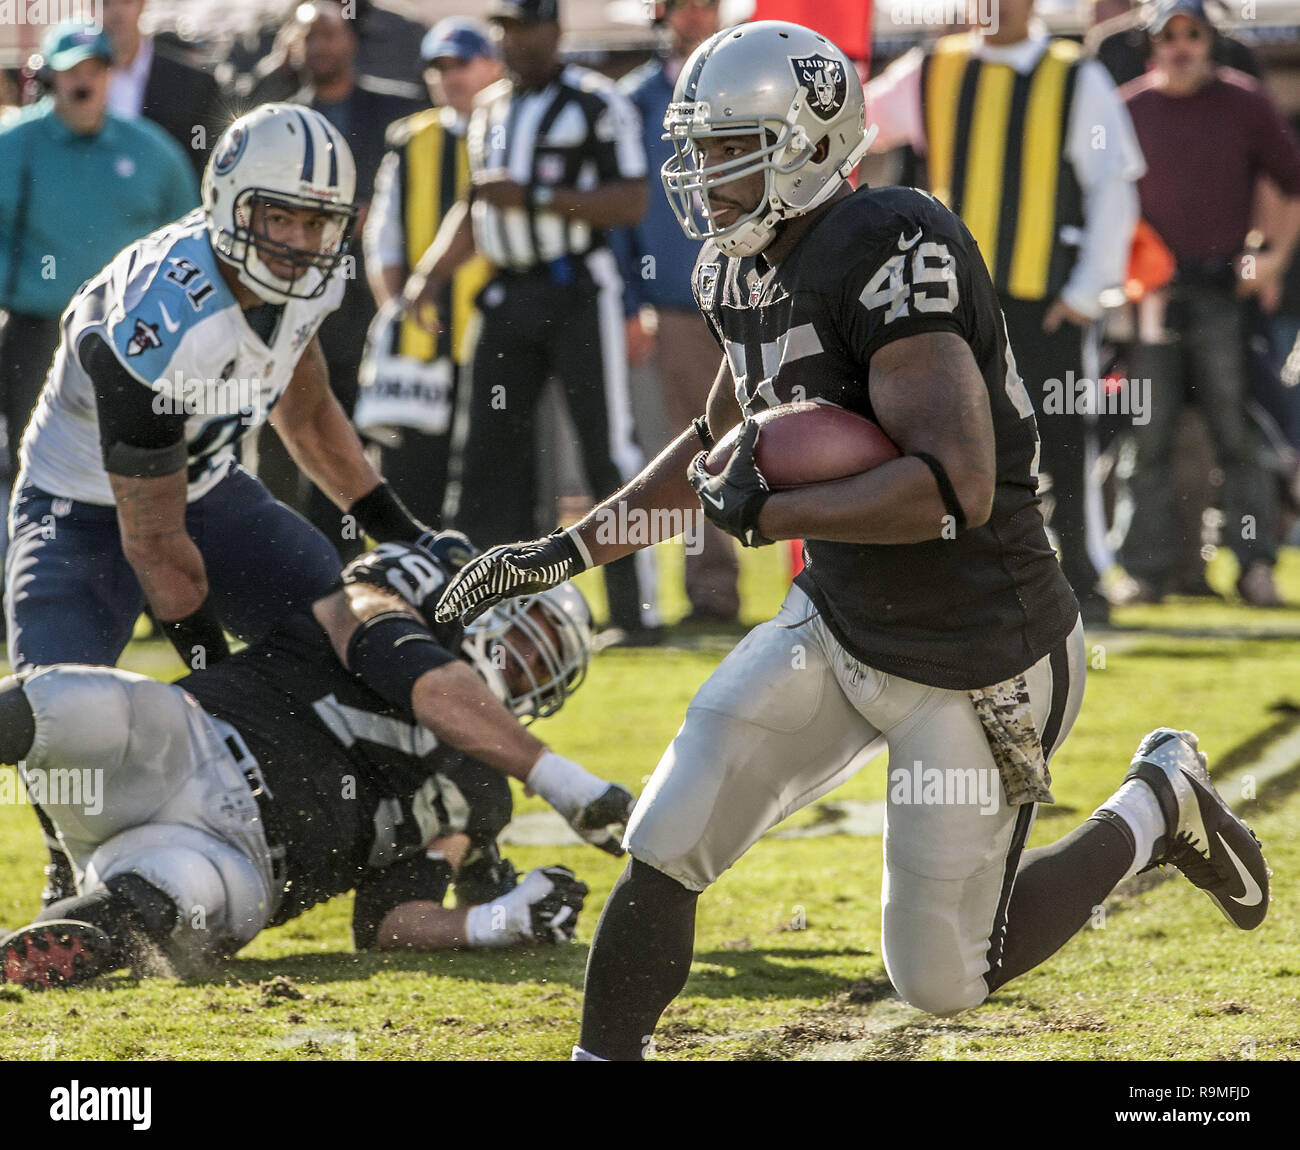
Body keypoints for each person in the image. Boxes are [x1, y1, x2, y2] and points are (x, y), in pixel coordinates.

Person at [433, 21, 1271, 1061]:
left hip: (980, 645)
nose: (702, 174)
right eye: (695, 147)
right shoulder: (736, 271)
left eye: (726, 147)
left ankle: (1156, 802)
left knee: (943, 977)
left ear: (805, 142)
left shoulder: (891, 243)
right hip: (838, 620)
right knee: (668, 833)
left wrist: (772, 514)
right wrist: (563, 552)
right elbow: (715, 448)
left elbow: (950, 492)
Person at [6, 101, 433, 909]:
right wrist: (216, 688)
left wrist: (396, 526)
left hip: (206, 485)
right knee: (56, 713)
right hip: (81, 510)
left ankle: (377, 794)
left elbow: (304, 412)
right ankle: (75, 865)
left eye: (319, 223)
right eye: (281, 218)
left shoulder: (304, 283)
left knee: (330, 609)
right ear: (231, 203)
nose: (301, 245)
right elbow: (157, 547)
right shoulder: (163, 322)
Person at [0, 532, 634, 990]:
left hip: (239, 862)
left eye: (548, 661)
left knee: (177, 894)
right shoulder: (376, 607)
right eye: (526, 635)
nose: (527, 666)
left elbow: (388, 924)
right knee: (64, 704)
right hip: (183, 743)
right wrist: (565, 783)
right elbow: (434, 689)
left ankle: (56, 936)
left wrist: (501, 918)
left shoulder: (482, 794)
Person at [866, 0, 1146, 627]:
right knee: (946, 438)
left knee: (1062, 437)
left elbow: (1112, 184)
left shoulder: (1076, 74)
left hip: (1042, 301)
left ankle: (1083, 576)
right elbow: (856, 121)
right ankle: (955, 578)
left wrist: (1085, 292)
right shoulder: (933, 66)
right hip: (950, 305)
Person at [406, 0, 659, 645]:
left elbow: (631, 200)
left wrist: (541, 198)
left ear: (553, 30)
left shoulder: (595, 102)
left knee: (607, 450)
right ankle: (468, 605)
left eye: (522, 27)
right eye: (503, 29)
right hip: (506, 293)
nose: (512, 40)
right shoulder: (489, 108)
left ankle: (635, 614)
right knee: (483, 455)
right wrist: (431, 275)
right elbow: (476, 207)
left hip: (577, 290)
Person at [1117, 0, 1300, 607]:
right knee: (1149, 438)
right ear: (1152, 46)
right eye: (1169, 37)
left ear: (1208, 43)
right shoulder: (1127, 109)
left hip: (1224, 296)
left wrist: (1271, 257)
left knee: (1237, 436)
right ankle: (1144, 572)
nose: (1181, 46)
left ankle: (1255, 569)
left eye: (1192, 35)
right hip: (1152, 300)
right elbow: (1103, 201)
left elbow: (1291, 181)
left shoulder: (1245, 101)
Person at [0, 23, 198, 485]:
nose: (84, 82)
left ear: (111, 76)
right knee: (38, 465)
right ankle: (37, 553)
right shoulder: (13, 145)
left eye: (96, 69)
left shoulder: (151, 151)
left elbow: (190, 236)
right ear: (51, 78)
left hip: (133, 338)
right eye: (72, 72)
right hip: (39, 334)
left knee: (132, 468)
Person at [613, 0, 739, 625]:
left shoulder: (746, 78)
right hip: (679, 305)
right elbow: (624, 212)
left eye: (706, 3)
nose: (696, 15)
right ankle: (711, 594)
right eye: (684, 4)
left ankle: (823, 592)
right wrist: (633, 304)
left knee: (800, 437)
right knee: (697, 452)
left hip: (756, 291)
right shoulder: (633, 99)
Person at [361, 17, 501, 527]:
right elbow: (383, 239)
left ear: (492, 65)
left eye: (459, 63)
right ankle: (418, 588)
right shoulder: (410, 138)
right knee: (413, 472)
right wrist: (399, 312)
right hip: (426, 337)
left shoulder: (512, 126)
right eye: (437, 67)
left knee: (493, 471)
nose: (449, 76)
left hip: (498, 332)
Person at [102, 0, 226, 177]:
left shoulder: (193, 83)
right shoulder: (66, 81)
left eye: (126, 1)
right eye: (104, 3)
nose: (116, 12)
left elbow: (207, 157)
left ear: (142, 4)